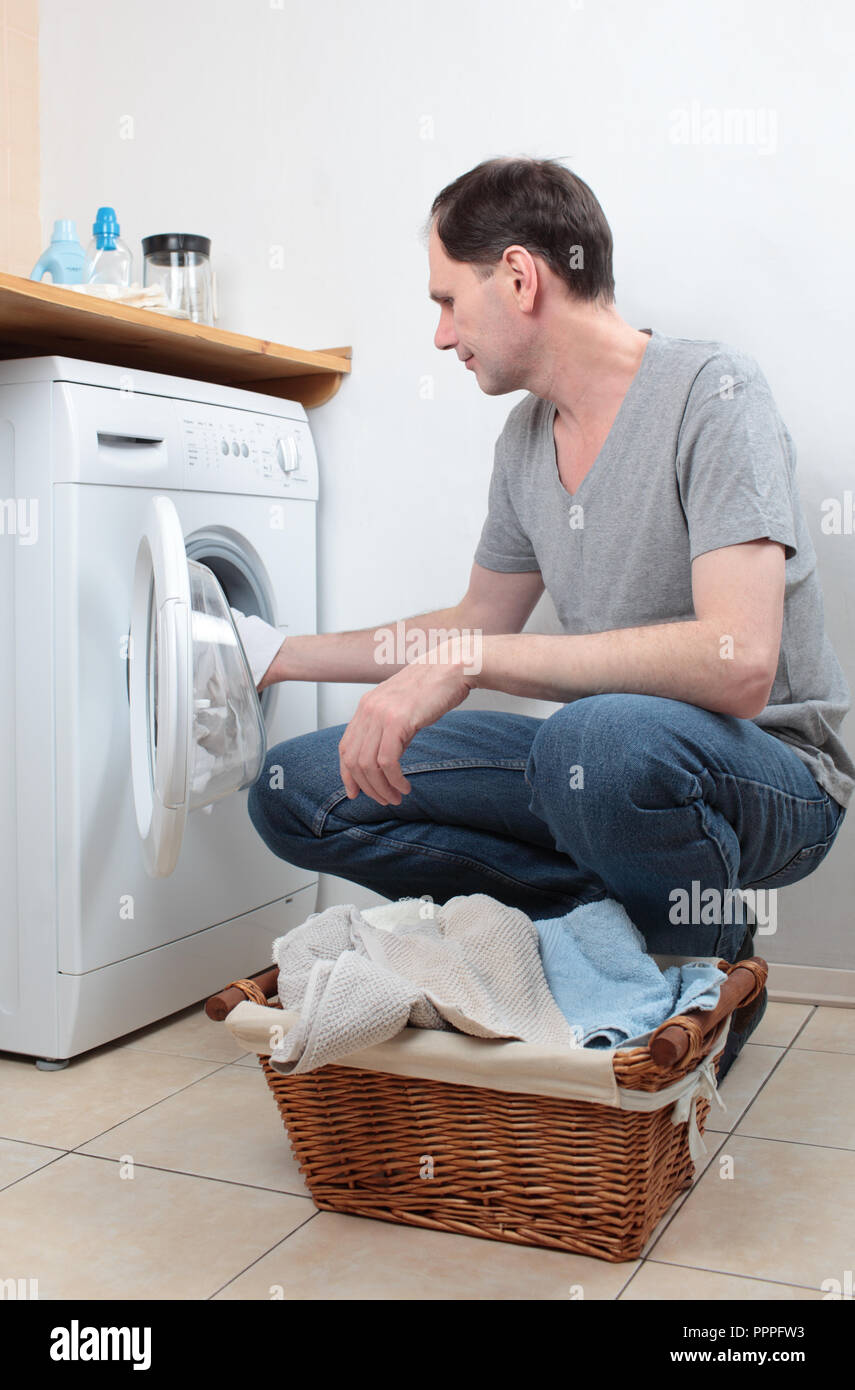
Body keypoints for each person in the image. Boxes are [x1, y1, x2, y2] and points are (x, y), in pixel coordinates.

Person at [241, 155, 853, 1080]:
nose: (442, 336)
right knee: (297, 787)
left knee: (596, 740)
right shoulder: (524, 440)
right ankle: (601, 928)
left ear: (520, 277)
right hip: (604, 759)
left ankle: (699, 964)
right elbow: (470, 620)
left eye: (448, 300)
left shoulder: (712, 394)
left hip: (773, 772)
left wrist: (478, 660)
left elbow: (739, 662)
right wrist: (278, 654)